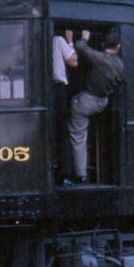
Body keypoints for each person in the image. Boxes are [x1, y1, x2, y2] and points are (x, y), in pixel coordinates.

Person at [67, 29, 124, 185]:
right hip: (102, 102)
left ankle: (80, 175)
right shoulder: (119, 64)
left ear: (103, 45)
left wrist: (85, 37)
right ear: (118, 47)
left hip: (86, 101)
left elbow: (80, 47)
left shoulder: (99, 58)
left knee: (78, 136)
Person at [52, 27, 81, 178]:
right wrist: (70, 42)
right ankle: (65, 173)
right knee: (63, 131)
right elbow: (73, 62)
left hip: (46, 89)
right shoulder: (58, 40)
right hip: (57, 88)